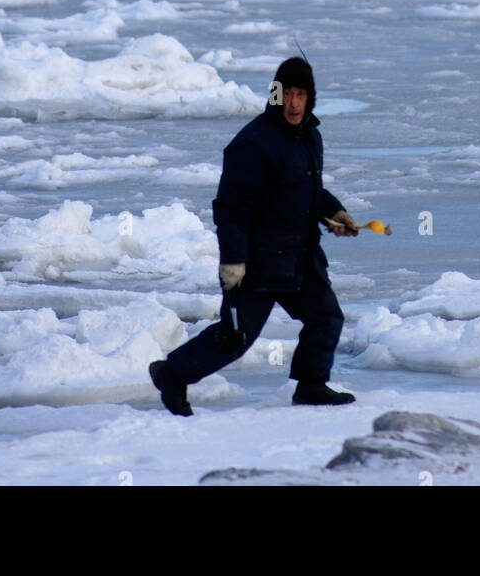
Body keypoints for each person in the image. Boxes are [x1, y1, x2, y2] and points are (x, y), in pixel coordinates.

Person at [149, 56, 360, 415]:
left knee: (326, 318)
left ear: (311, 99)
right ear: (276, 95)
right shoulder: (252, 143)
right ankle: (172, 373)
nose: (293, 103)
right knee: (235, 338)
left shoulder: (310, 136)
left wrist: (332, 212)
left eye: (301, 95)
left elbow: (306, 191)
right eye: (287, 94)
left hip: (300, 258)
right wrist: (233, 259)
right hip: (258, 263)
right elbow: (231, 208)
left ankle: (311, 384)